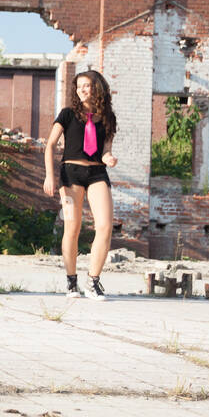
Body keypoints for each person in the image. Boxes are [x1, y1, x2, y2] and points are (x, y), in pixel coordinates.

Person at [43, 69, 118, 300]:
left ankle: (93, 282)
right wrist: (50, 176)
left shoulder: (108, 117)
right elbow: (50, 145)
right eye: (78, 86)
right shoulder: (67, 114)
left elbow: (105, 150)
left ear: (97, 88)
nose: (81, 89)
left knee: (105, 226)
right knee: (72, 227)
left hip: (96, 172)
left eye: (86, 85)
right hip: (70, 172)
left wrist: (109, 158)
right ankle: (71, 281)